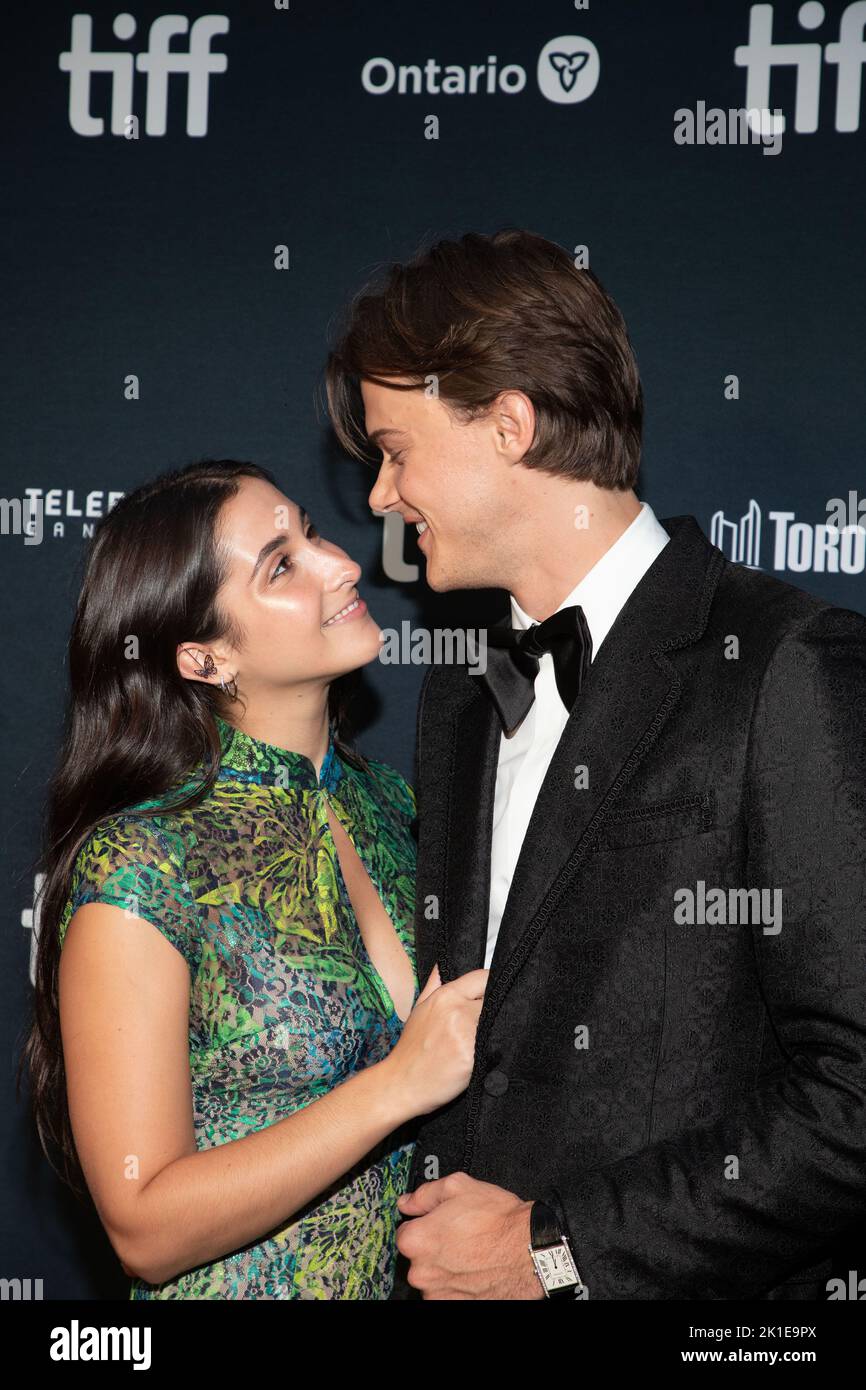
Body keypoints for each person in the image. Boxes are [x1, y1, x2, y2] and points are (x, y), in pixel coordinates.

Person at [325, 227, 866, 1300]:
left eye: (395, 448)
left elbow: (853, 1101)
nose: (381, 496)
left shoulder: (777, 665)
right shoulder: (457, 699)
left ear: (509, 425)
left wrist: (556, 1245)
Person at [21, 458, 486, 1299]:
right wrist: (396, 1087)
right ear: (203, 659)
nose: (341, 563)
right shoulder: (142, 865)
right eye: (282, 565)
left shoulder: (394, 807)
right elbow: (143, 1228)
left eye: (310, 532)